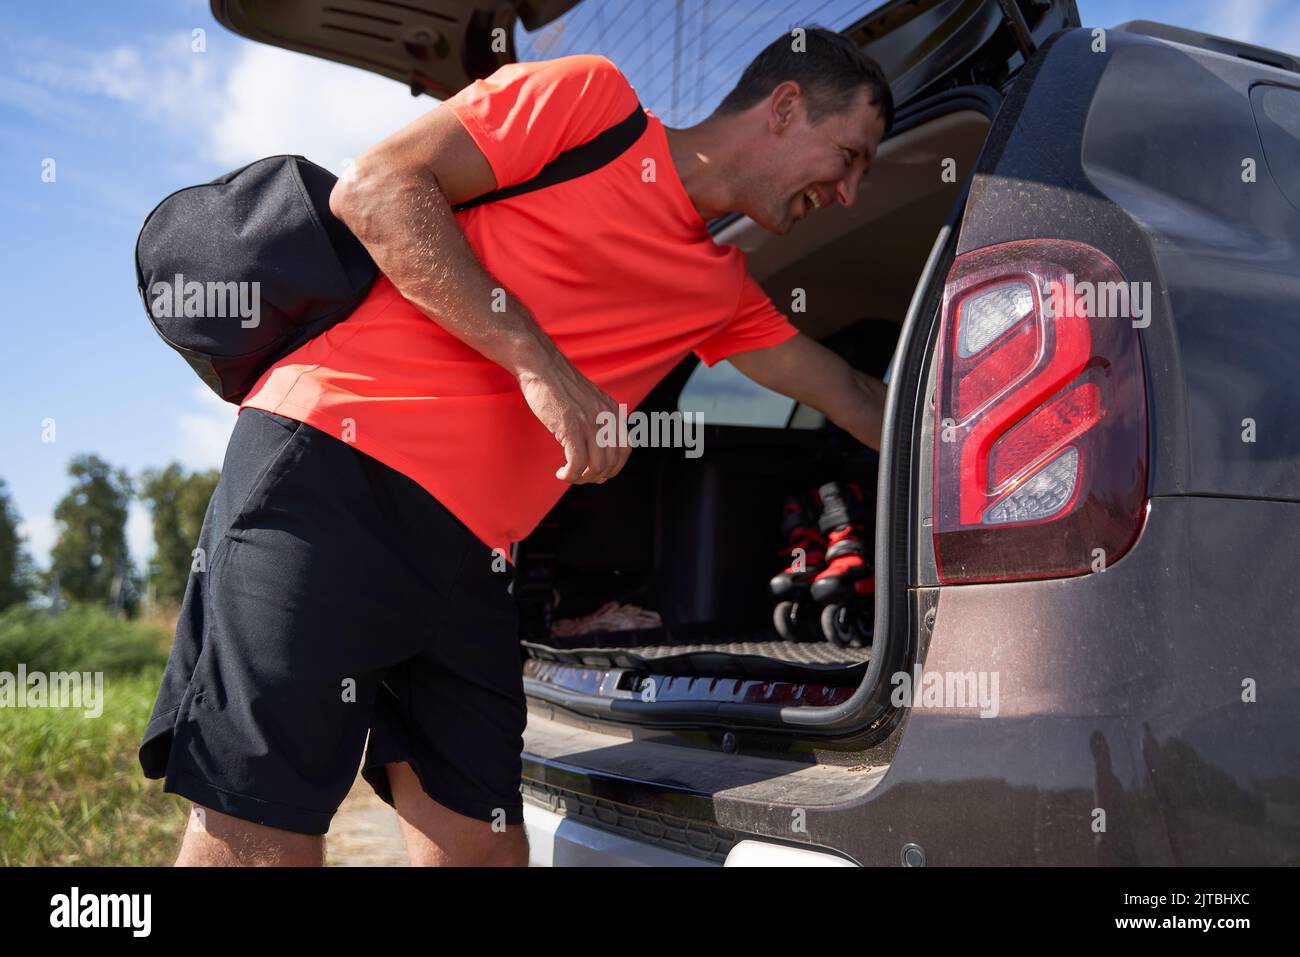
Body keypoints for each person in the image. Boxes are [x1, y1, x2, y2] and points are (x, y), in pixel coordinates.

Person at [138, 25, 894, 866]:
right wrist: (541, 364)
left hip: (473, 558)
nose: (853, 193)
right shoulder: (594, 101)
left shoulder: (720, 291)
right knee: (257, 830)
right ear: (786, 108)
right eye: (851, 154)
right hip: (333, 472)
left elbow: (857, 396)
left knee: (486, 850)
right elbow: (378, 189)